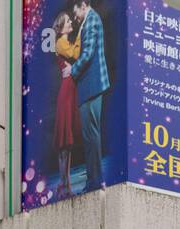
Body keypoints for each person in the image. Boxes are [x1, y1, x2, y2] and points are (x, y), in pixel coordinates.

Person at [70, 0, 110, 192]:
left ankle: (94, 182)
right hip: (92, 85)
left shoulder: (91, 20)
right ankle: (94, 180)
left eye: (75, 11)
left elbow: (87, 54)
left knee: (90, 136)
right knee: (91, 135)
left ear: (83, 5)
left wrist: (72, 71)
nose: (75, 16)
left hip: (91, 86)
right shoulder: (90, 20)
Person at [51, 12, 82, 198]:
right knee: (64, 144)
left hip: (70, 91)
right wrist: (79, 36)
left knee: (67, 145)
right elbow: (74, 54)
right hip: (66, 93)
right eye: (68, 21)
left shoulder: (65, 41)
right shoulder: (62, 42)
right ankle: (64, 186)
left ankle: (66, 186)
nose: (71, 22)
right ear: (62, 27)